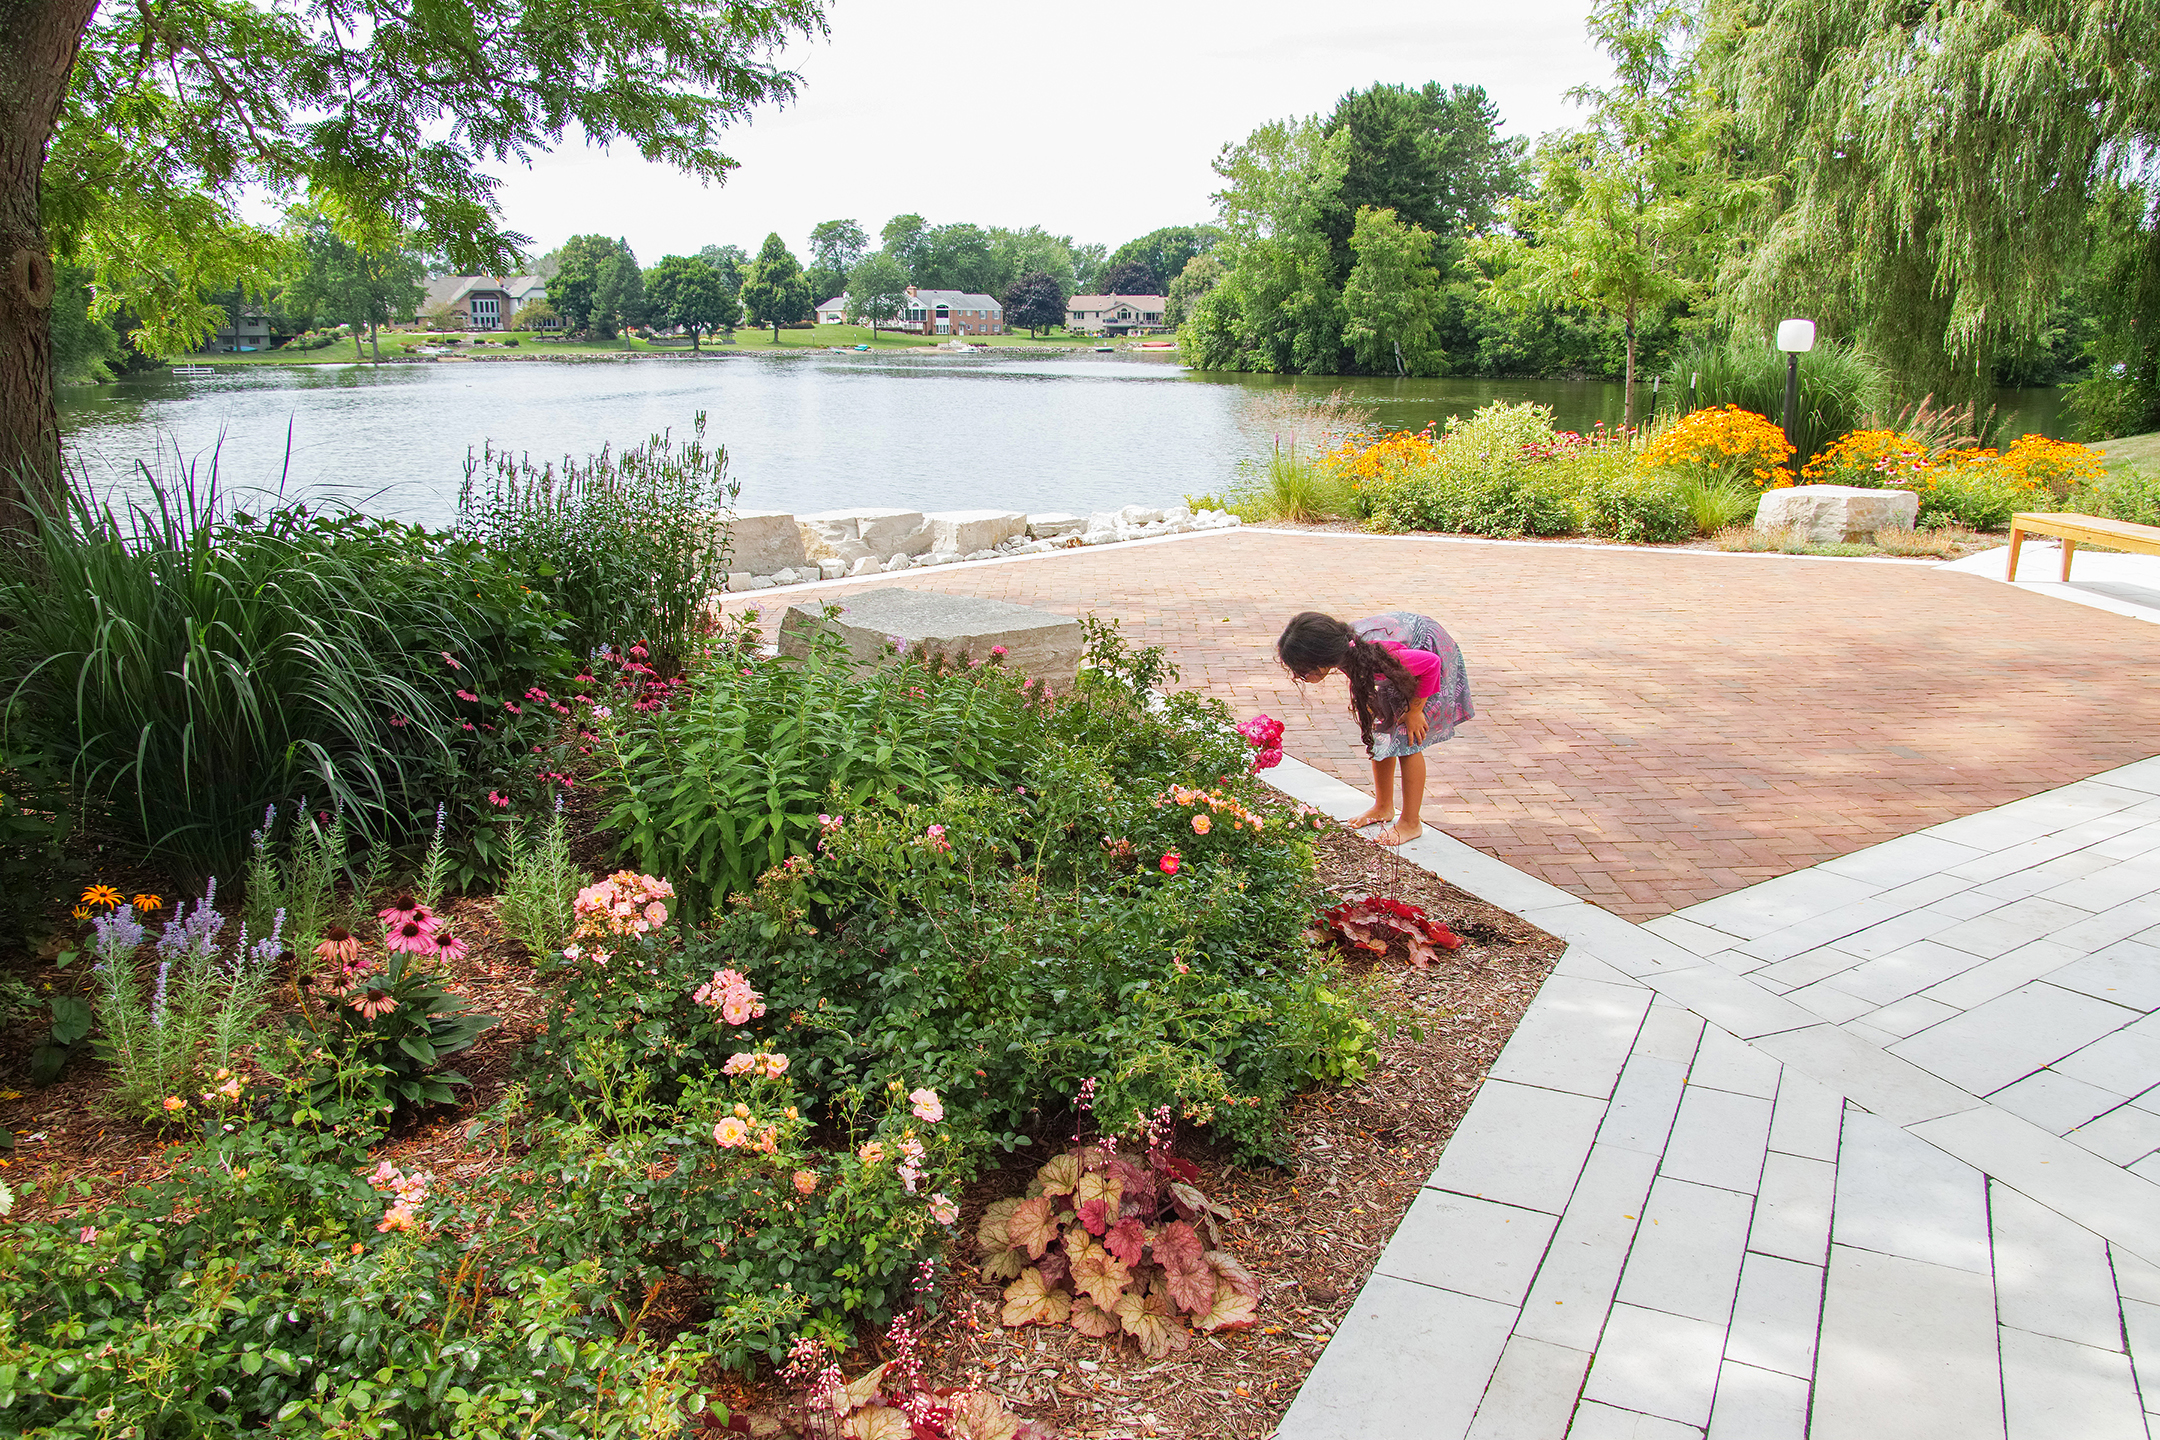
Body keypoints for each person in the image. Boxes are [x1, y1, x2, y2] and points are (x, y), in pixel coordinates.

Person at [1275, 610, 1473, 845]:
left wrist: (1415, 711)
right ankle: (1383, 807)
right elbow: (1359, 670)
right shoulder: (1343, 648)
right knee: (1380, 730)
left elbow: (1431, 665)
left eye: (1304, 670)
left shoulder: (1379, 655)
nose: (1301, 677)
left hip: (1427, 657)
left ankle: (1411, 822)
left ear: (1323, 658)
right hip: (1398, 662)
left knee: (1406, 740)